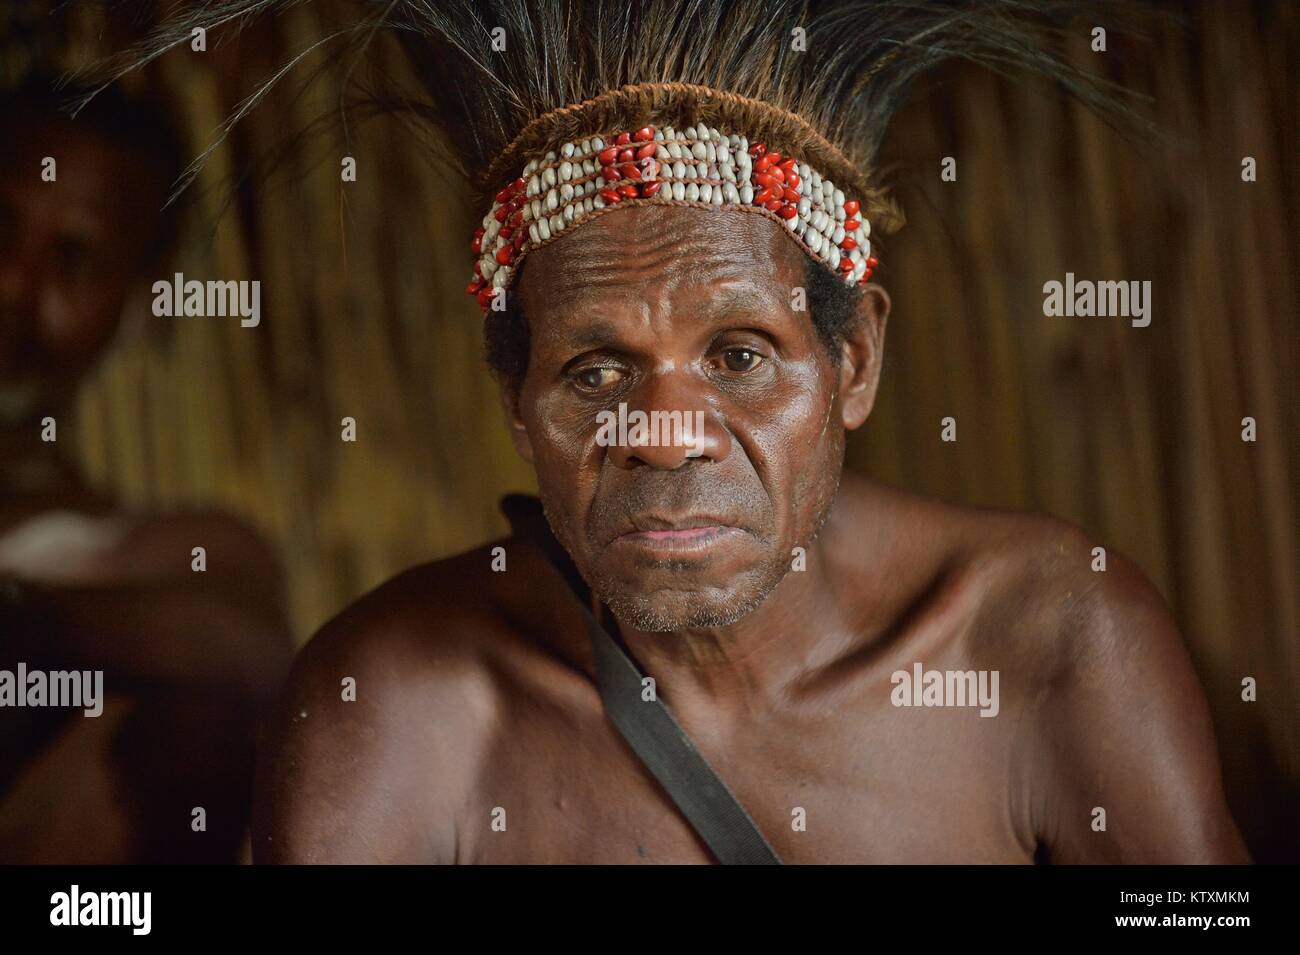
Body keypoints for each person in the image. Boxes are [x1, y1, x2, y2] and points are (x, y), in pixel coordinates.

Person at [235, 0, 1248, 863]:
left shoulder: (1051, 642)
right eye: (595, 371)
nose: (667, 436)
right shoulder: (396, 708)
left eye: (738, 356)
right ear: (516, 406)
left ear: (854, 363)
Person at [0, 77, 294, 863]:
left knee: (191, 732)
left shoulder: (148, 556)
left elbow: (254, 654)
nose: (12, 286)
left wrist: (28, 620)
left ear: (133, 305)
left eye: (75, 259)